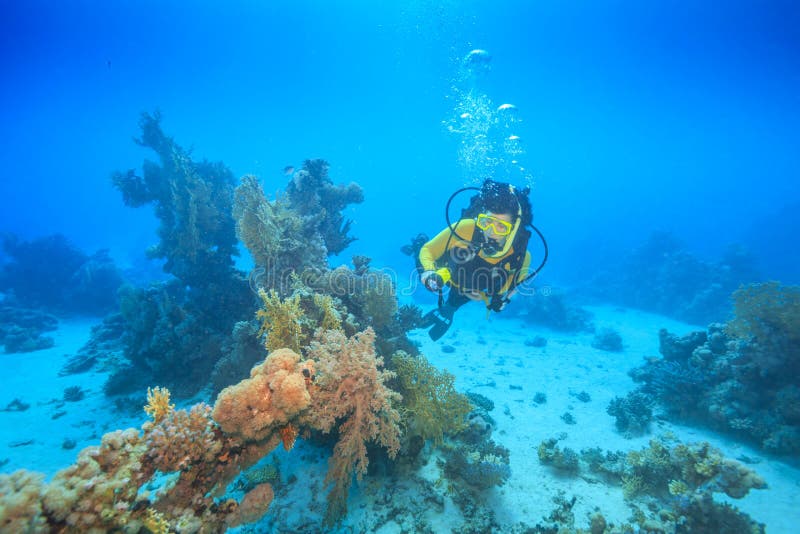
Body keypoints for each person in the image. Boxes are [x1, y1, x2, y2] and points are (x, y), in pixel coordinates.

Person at [416, 179, 537, 341]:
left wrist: (500, 299)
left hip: (470, 287)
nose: (490, 231)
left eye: (501, 226)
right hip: (442, 273)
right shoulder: (466, 228)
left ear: (514, 229)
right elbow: (429, 250)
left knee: (459, 297)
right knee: (420, 256)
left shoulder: (521, 256)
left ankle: (449, 309)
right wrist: (428, 272)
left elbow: (514, 284)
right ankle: (415, 244)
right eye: (487, 222)